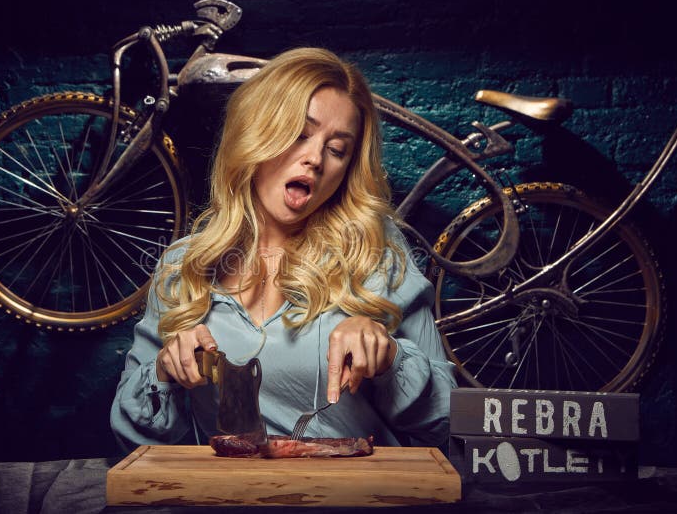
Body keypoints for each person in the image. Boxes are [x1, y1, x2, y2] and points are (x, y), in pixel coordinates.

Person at [110, 47, 456, 451]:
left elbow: (449, 423)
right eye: (299, 134)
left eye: (337, 148)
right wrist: (166, 370)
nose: (314, 159)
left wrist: (390, 356)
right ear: (255, 135)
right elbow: (130, 440)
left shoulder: (376, 252)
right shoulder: (183, 266)